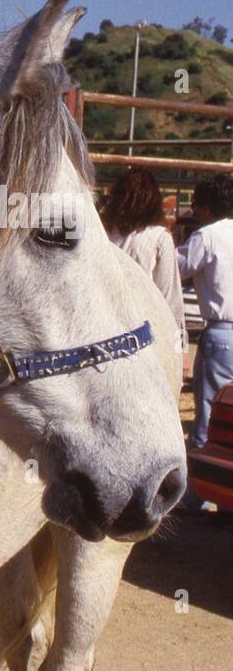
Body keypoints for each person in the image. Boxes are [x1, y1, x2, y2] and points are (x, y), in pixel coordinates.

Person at [177, 174, 233, 457]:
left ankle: (198, 491)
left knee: (210, 416)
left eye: (196, 204)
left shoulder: (206, 237)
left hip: (222, 333)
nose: (194, 211)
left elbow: (176, 268)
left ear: (208, 207)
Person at [101, 167, 186, 340]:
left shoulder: (103, 234)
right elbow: (170, 298)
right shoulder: (159, 238)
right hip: (144, 330)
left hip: (104, 327)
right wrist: (181, 347)